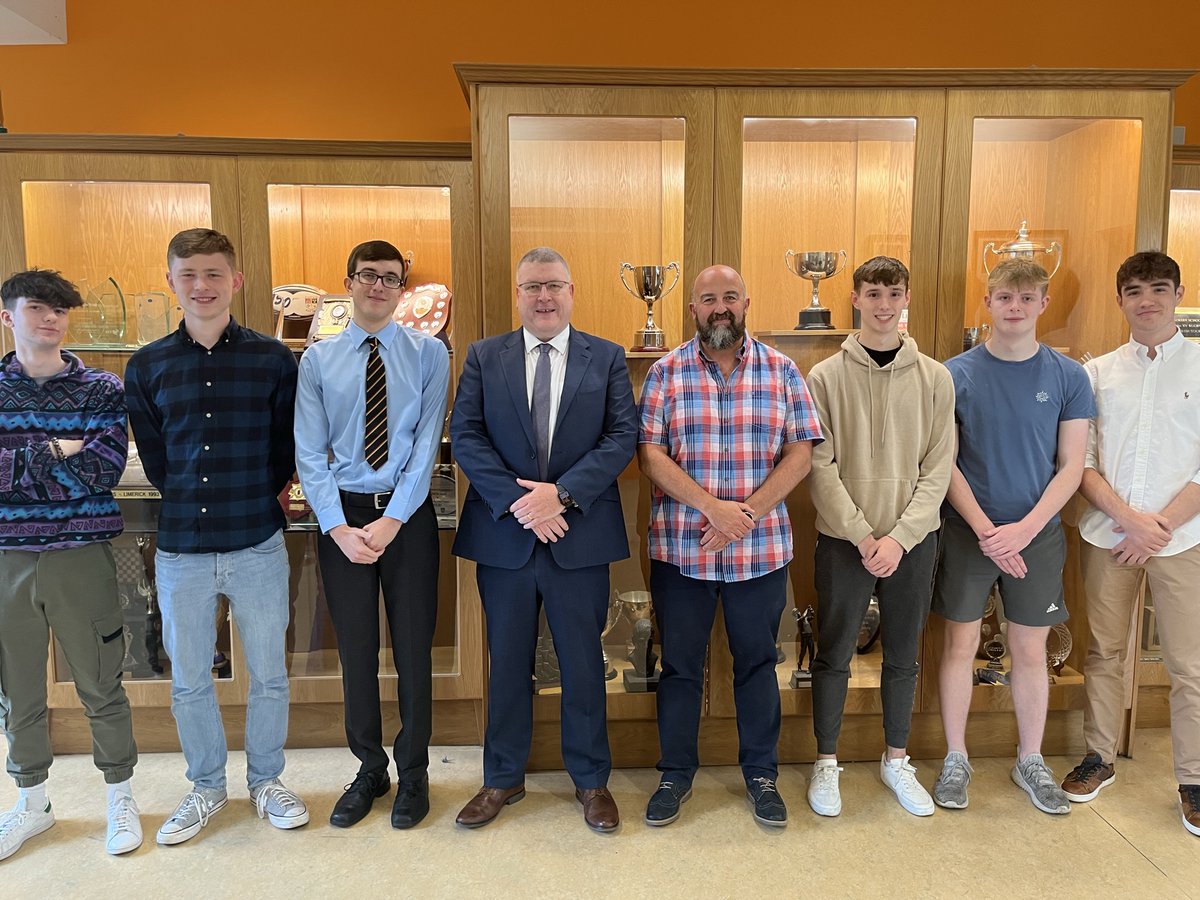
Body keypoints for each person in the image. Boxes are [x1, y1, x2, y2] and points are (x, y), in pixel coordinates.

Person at [125, 228, 306, 845]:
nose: (201, 286)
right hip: (182, 549)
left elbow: (284, 448)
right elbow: (157, 459)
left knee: (269, 674)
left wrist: (256, 494)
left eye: (213, 274)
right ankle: (206, 786)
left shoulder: (273, 359)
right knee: (189, 679)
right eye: (189, 275)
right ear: (171, 282)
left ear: (236, 281)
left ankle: (266, 781)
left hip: (256, 542)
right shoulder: (146, 365)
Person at [450, 247, 637, 832]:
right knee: (507, 663)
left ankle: (592, 781)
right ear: (518, 294)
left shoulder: (606, 357)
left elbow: (621, 437)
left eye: (554, 285)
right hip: (505, 537)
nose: (544, 296)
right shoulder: (485, 356)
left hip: (579, 536)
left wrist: (562, 495)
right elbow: (466, 435)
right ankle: (502, 777)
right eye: (532, 286)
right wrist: (523, 503)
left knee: (583, 664)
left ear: (572, 292)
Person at [637, 264, 822, 828]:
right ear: (693, 308)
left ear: (746, 304)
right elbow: (650, 455)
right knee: (679, 668)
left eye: (730, 297)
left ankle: (762, 775)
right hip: (682, 551)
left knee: (759, 665)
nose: (720, 307)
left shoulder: (783, 371)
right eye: (709, 298)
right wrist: (711, 508)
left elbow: (801, 453)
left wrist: (745, 515)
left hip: (759, 552)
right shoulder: (665, 373)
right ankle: (675, 774)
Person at [295, 240, 449, 829]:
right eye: (367, 275)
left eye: (390, 277)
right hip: (343, 520)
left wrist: (392, 519)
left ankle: (414, 772)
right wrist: (336, 526)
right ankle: (369, 769)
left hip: (406, 519)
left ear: (402, 288)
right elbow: (310, 452)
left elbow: (427, 444)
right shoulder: (317, 360)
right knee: (356, 653)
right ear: (349, 282)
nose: (378, 286)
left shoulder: (429, 354)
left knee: (412, 651)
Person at [931, 258, 1093, 815]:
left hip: (1037, 534)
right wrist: (986, 530)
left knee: (1030, 649)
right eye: (1005, 298)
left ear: (1043, 304)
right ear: (988, 303)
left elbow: (1071, 466)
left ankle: (1030, 759)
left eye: (1026, 298)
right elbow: (945, 463)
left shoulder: (1069, 377)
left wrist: (1023, 530)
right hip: (967, 531)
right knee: (960, 646)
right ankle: (956, 757)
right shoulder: (954, 375)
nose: (1015, 307)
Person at [805, 256, 954, 818]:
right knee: (834, 653)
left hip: (912, 542)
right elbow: (819, 465)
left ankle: (896, 759)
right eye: (873, 293)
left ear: (906, 297)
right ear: (855, 299)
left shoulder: (935, 379)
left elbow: (938, 468)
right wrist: (864, 535)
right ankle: (826, 761)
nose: (884, 305)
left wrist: (900, 537)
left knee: (903, 656)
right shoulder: (824, 377)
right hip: (844, 541)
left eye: (894, 294)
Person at [0, 269, 141, 860]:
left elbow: (104, 469)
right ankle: (32, 804)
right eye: (37, 307)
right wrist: (61, 449)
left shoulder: (101, 388)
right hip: (8, 558)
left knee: (101, 681)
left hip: (82, 554)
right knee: (16, 690)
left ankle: (121, 796)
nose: (50, 318)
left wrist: (20, 466)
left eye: (59, 310)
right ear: (8, 316)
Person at [1060, 251, 1200, 837]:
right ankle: (1099, 756)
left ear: (1178, 294)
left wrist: (1157, 526)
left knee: (1189, 664)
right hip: (1108, 535)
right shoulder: (1095, 374)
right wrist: (1128, 520)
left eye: (1159, 289)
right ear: (1120, 300)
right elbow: (1082, 462)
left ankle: (1193, 780)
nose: (1148, 300)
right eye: (1135, 291)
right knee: (1104, 652)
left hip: (1183, 539)